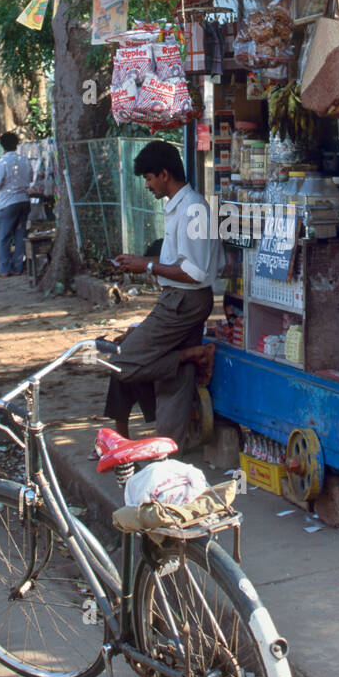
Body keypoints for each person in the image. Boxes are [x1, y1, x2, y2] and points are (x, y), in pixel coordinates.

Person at [105, 141, 218, 454]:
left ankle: (192, 354)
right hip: (181, 300)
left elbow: (193, 273)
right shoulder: (181, 206)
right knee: (178, 382)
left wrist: (148, 265)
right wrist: (146, 266)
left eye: (149, 178)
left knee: (122, 363)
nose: (147, 185)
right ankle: (171, 448)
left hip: (184, 301)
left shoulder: (192, 208)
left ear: (164, 174)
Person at [0, 131, 33, 276]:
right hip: (24, 200)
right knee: (20, 235)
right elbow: (30, 178)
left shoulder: (1, 163)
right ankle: (18, 267)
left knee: (4, 237)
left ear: (2, 146)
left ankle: (5, 268)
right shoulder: (25, 160)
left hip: (7, 202)